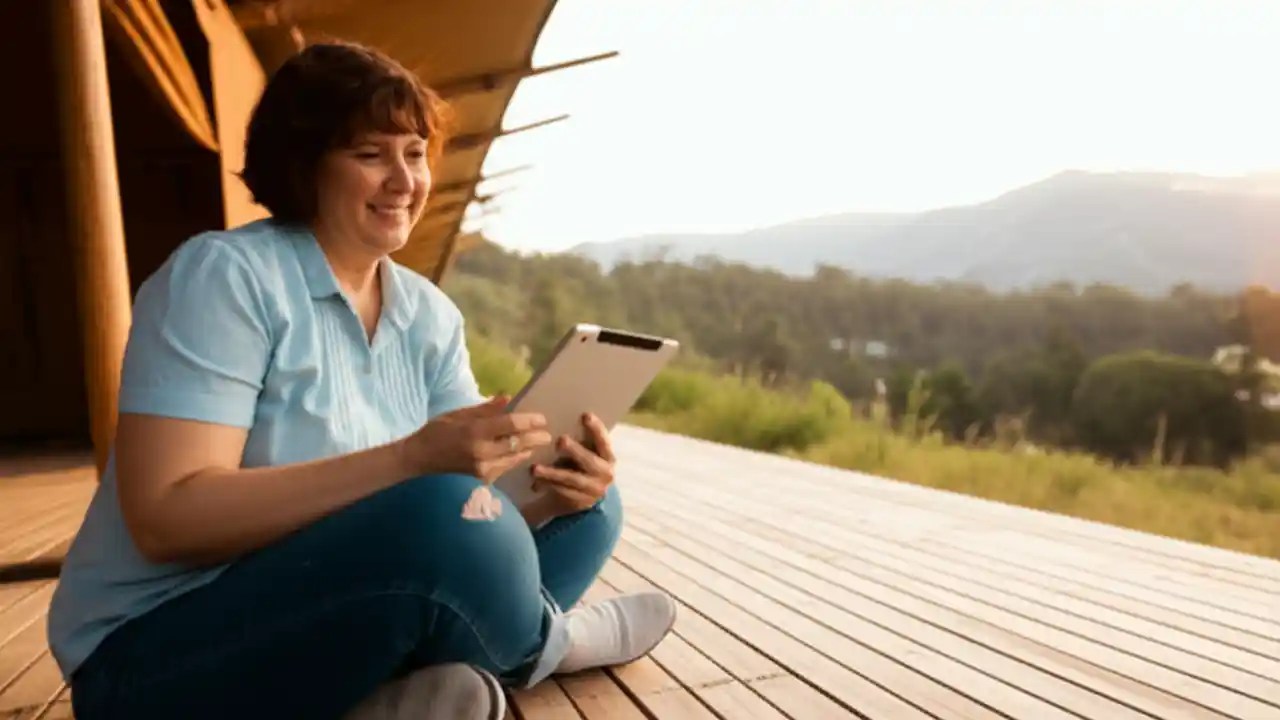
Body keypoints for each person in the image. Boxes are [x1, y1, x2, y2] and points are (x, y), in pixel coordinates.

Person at [47, 41, 676, 720]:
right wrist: (410, 462)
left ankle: (374, 700)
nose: (404, 180)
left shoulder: (426, 313)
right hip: (160, 659)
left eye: (414, 152)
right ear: (304, 165)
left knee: (585, 508)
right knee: (436, 513)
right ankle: (544, 644)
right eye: (371, 155)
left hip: (325, 611)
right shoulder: (226, 276)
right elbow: (166, 519)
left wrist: (548, 489)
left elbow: (477, 507)